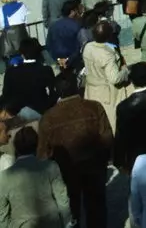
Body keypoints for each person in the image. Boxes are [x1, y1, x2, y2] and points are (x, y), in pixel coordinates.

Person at [36, 72, 111, 228]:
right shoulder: (94, 107)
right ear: (77, 87)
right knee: (96, 207)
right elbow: (107, 138)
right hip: (94, 166)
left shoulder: (48, 117)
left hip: (66, 171)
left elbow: (43, 153)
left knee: (71, 211)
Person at [0, 125, 70, 228]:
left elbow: (3, 214)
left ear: (16, 147)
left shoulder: (4, 177)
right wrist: (67, 222)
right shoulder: (51, 167)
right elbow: (63, 201)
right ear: (37, 145)